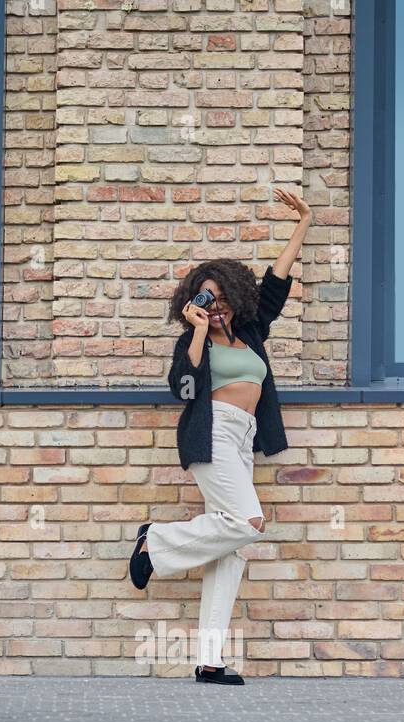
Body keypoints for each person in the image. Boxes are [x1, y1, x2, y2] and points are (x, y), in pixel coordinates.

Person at [128, 189, 313, 686]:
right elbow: (185, 389)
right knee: (248, 522)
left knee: (228, 551)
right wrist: (195, 331)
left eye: (222, 297)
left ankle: (209, 661)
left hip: (242, 438)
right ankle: (155, 542)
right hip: (211, 435)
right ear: (192, 301)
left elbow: (277, 281)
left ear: (235, 297)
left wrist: (303, 222)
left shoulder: (251, 332)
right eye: (206, 298)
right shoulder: (192, 341)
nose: (216, 307)